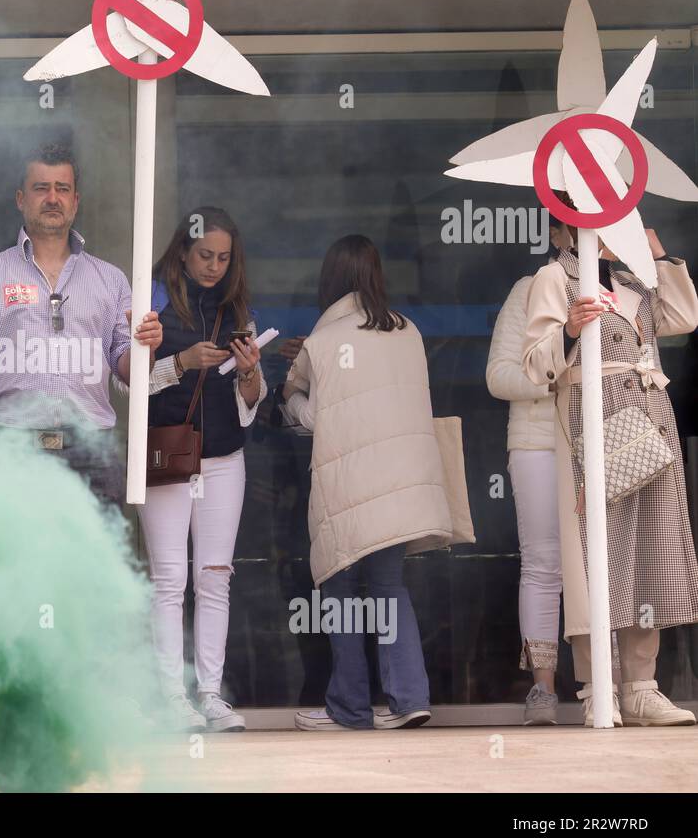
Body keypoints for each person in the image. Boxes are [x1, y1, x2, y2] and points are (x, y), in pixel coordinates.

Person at [522, 206, 698, 727]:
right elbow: (535, 363)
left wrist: (660, 256)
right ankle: (599, 686)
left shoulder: (634, 275)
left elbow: (684, 318)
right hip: (591, 424)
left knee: (651, 549)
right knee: (594, 554)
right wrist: (571, 329)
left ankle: (642, 687)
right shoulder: (555, 276)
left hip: (648, 420)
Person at [282, 235, 453, 731]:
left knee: (338, 590)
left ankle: (350, 708)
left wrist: (289, 392)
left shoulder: (324, 341)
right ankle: (410, 698)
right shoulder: (409, 331)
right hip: (402, 483)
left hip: (349, 484)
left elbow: (314, 419)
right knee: (388, 588)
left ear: (329, 280)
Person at [0, 143, 162, 505]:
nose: (52, 198)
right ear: (20, 198)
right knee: (17, 561)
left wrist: (147, 348)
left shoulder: (111, 279)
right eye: (41, 188)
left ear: (75, 201)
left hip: (93, 451)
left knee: (91, 562)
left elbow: (128, 370)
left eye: (62, 189)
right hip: (12, 447)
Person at [141, 207, 264, 733]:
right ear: (182, 252)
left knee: (215, 578)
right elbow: (127, 385)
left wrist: (252, 373)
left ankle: (210, 693)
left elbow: (251, 403)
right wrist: (183, 363)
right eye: (204, 255)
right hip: (166, 450)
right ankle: (171, 695)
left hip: (223, 458)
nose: (214, 266)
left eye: (223, 257)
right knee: (169, 580)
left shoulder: (238, 309)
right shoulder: (152, 300)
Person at [487, 233, 567, 724]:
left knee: (603, 565)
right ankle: (543, 690)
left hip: (603, 444)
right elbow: (498, 376)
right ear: (557, 233)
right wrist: (559, 377)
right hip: (538, 442)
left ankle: (609, 684)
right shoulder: (530, 287)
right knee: (544, 565)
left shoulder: (619, 288)